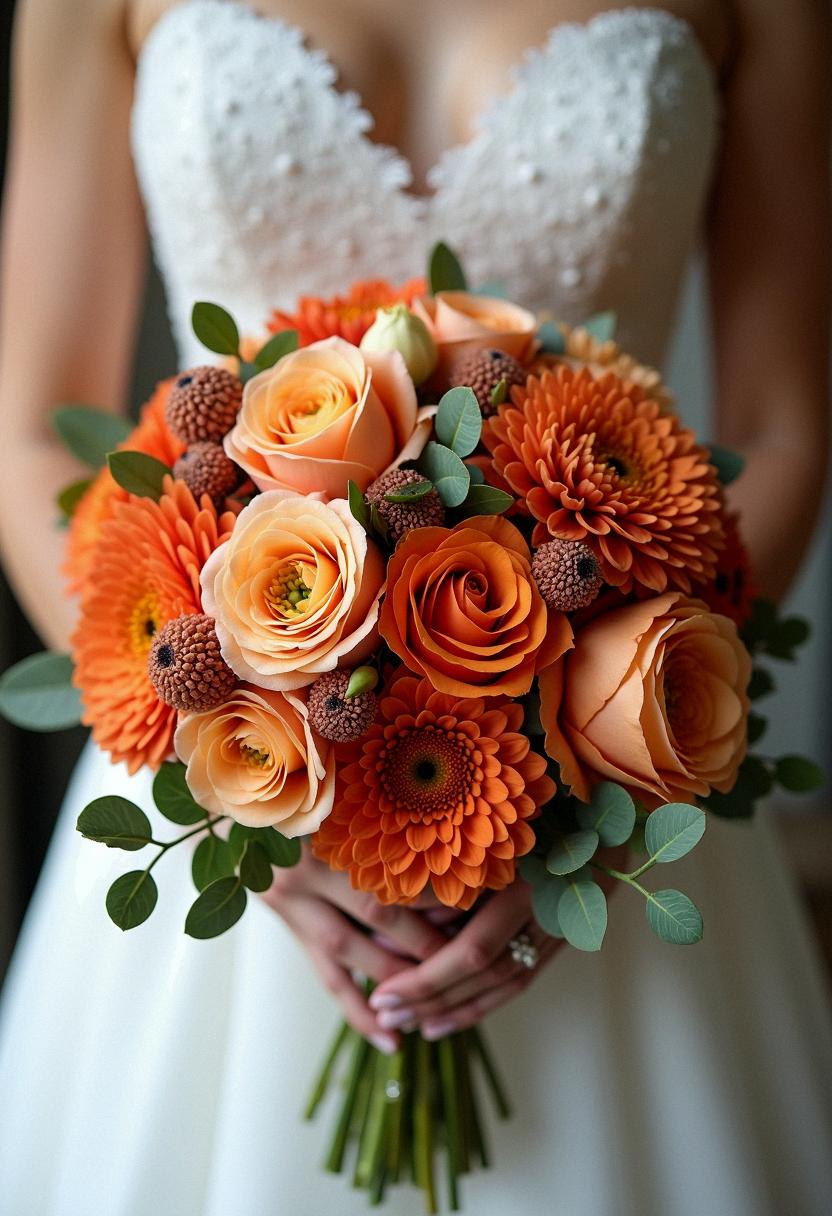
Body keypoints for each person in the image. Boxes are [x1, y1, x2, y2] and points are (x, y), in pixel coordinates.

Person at [1, 1, 831, 1213]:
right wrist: (236, 788)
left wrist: (600, 795)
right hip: (229, 779)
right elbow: (30, 433)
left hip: (620, 772)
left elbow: (782, 425)